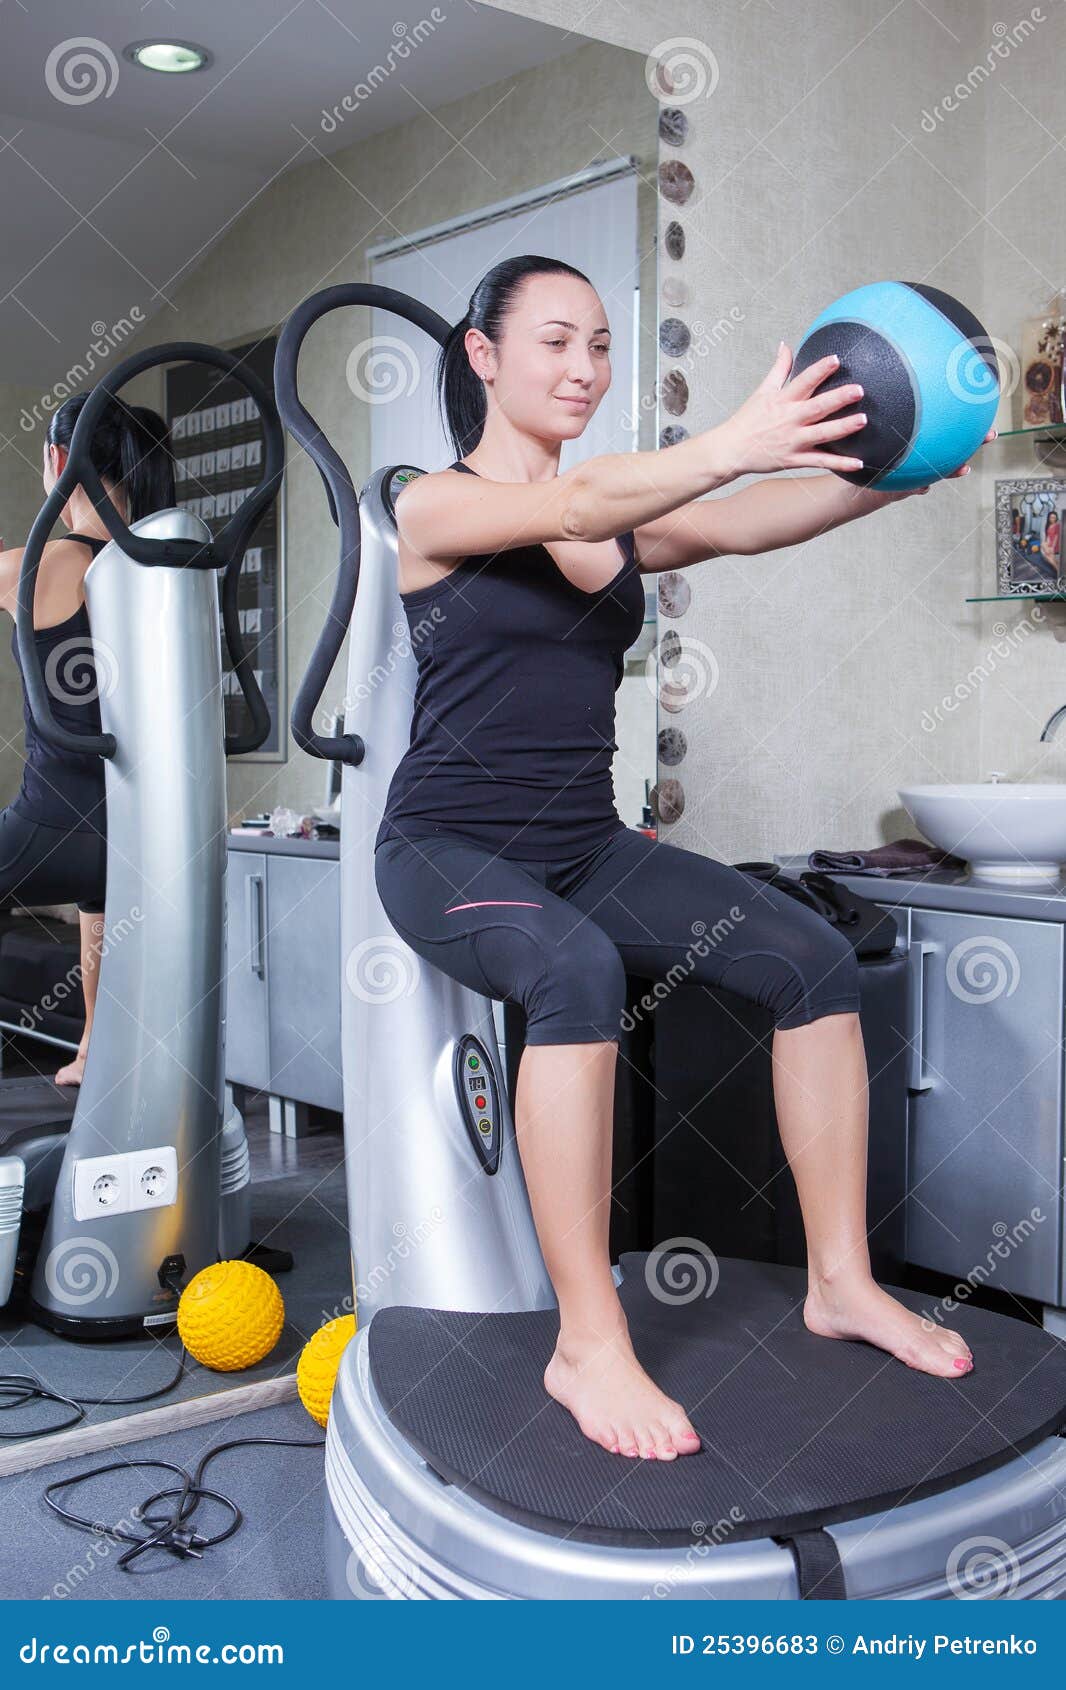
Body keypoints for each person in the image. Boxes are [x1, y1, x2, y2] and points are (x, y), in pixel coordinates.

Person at [375, 254, 996, 1463]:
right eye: (555, 341)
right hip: (447, 850)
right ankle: (588, 1338)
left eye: (601, 344)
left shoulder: (618, 525)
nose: (585, 367)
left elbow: (745, 525)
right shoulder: (430, 506)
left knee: (809, 957)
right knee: (574, 971)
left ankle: (840, 1281)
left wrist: (894, 478)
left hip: (583, 845)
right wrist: (739, 433)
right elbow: (571, 502)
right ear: (483, 355)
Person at [0, 392, 175, 1086]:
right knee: (98, 892)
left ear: (57, 462)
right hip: (137, 836)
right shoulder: (170, 566)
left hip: (50, 826)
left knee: (73, 856)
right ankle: (95, 1048)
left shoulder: (37, 565)